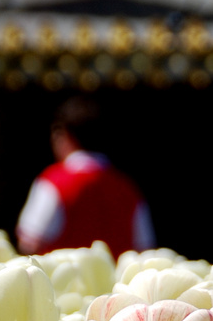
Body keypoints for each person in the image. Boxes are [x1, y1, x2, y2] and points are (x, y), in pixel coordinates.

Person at [16, 97, 155, 255]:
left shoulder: (53, 181)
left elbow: (29, 243)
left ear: (64, 136)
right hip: (116, 279)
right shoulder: (128, 188)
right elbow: (145, 249)